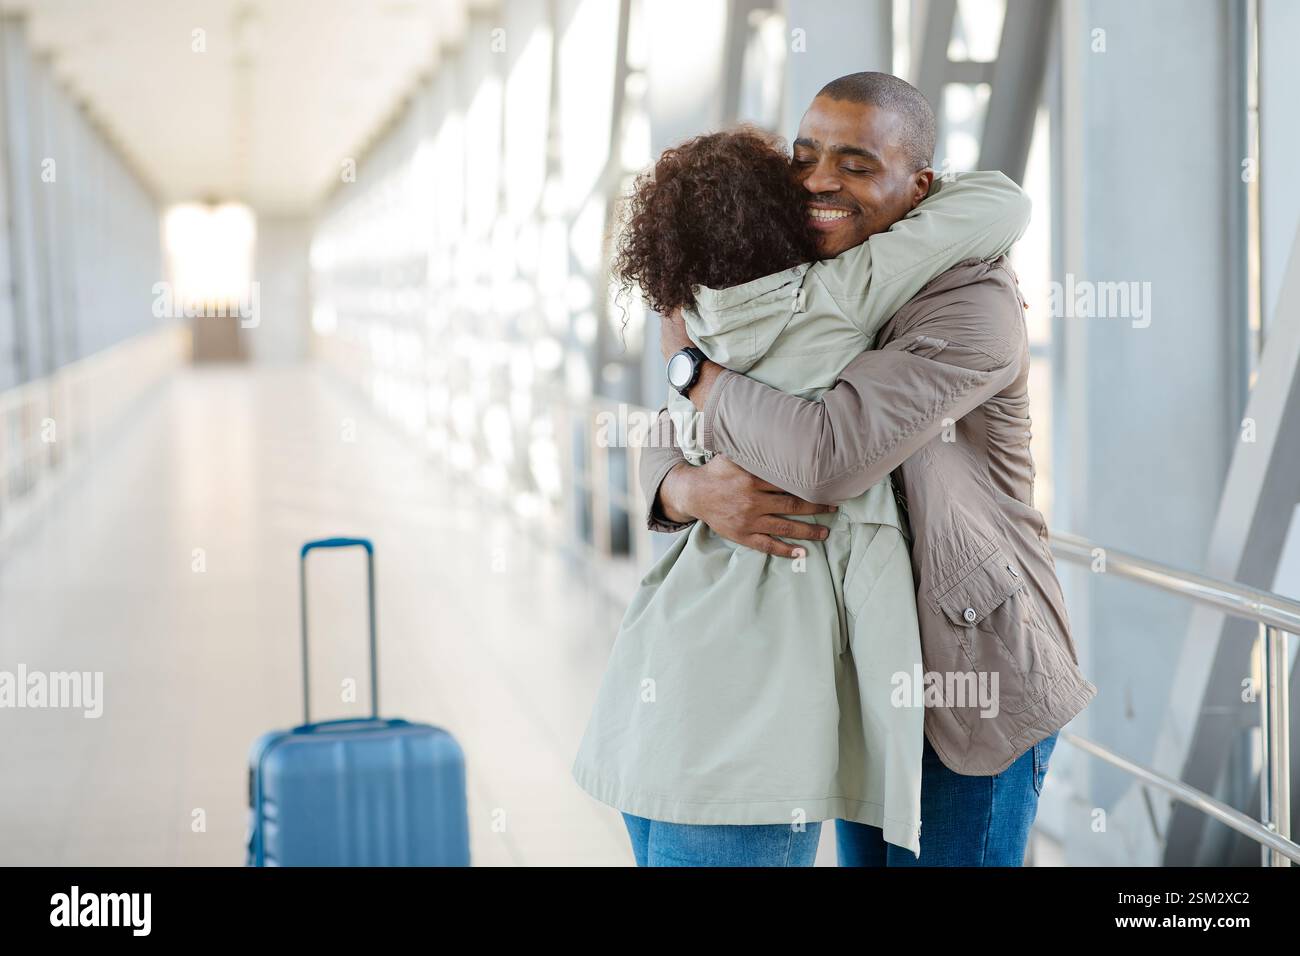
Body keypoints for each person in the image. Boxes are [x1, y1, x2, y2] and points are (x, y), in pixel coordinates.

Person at [639, 72, 1098, 867]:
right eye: (806, 154)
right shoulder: (809, 276)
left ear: (918, 188)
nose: (819, 179)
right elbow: (673, 428)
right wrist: (686, 487)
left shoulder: (969, 304)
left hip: (966, 684)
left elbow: (827, 454)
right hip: (860, 673)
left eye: (856, 164)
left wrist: (694, 367)